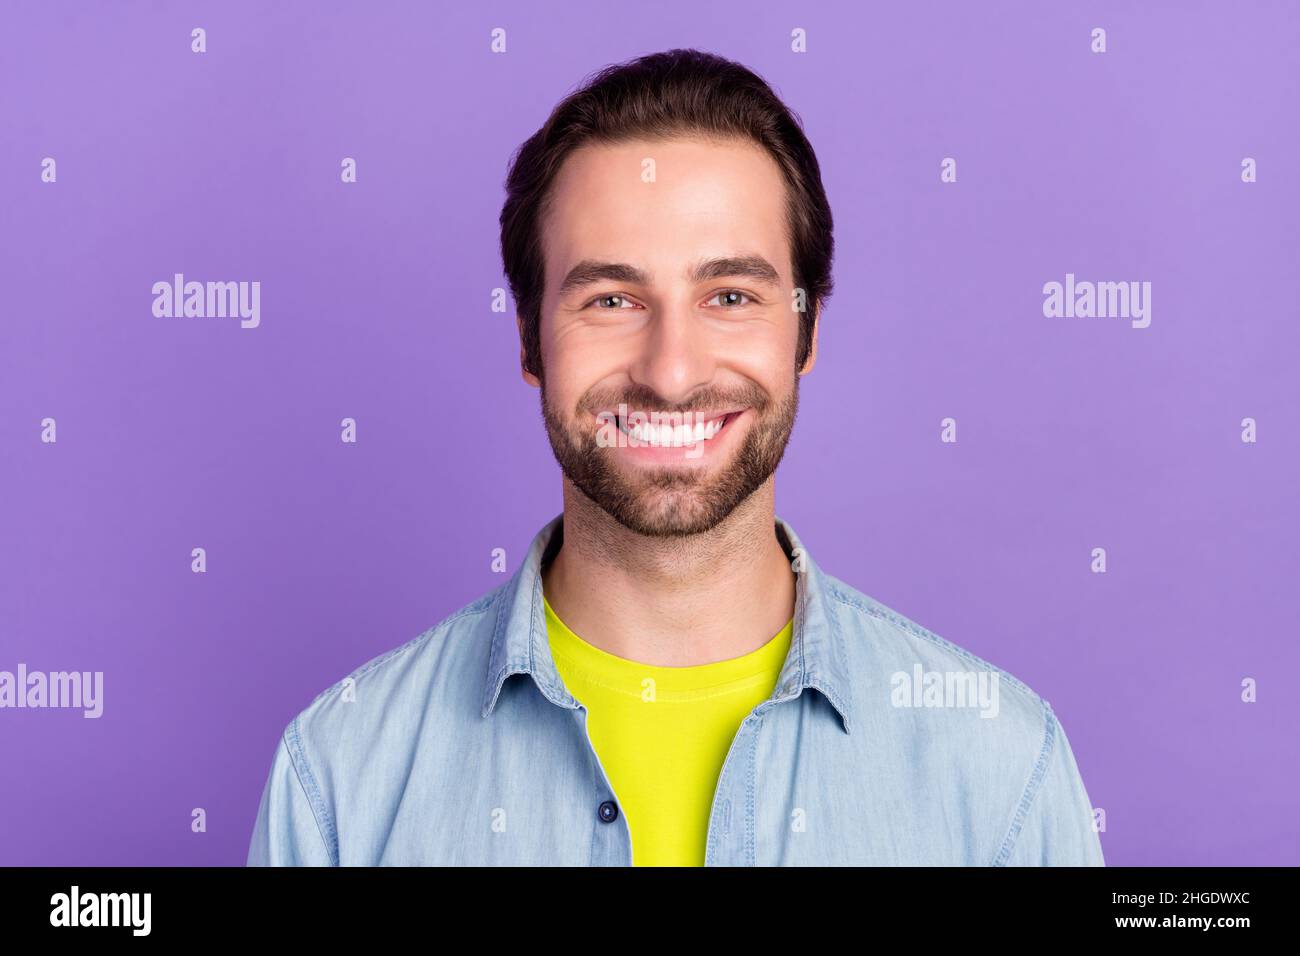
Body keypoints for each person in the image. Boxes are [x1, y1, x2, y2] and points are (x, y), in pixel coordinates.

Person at [247, 48, 1104, 867]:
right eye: (612, 298)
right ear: (529, 338)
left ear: (805, 332)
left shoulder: (1000, 770)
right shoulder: (339, 780)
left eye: (730, 296)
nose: (672, 371)